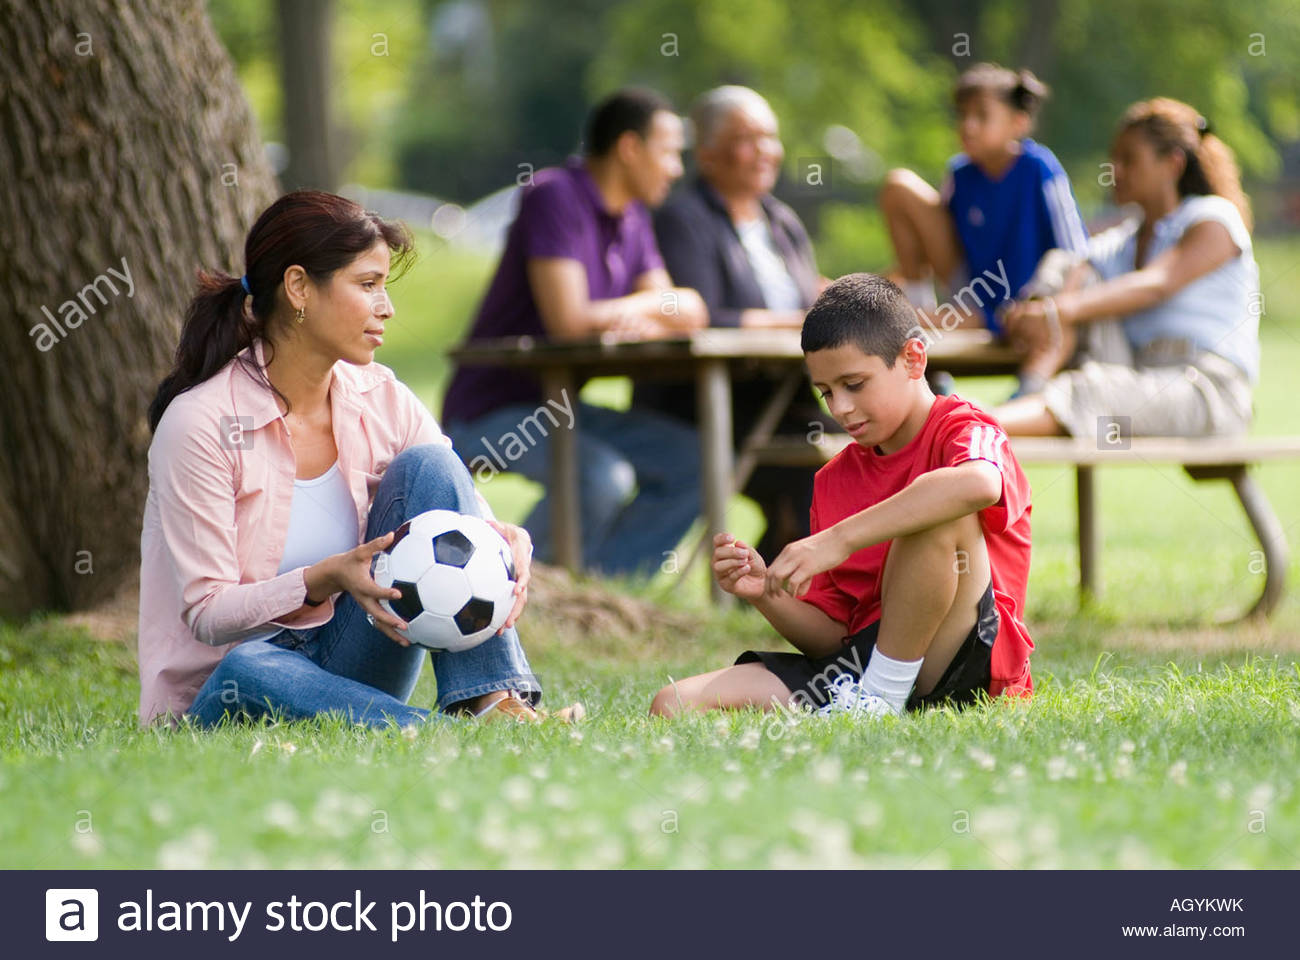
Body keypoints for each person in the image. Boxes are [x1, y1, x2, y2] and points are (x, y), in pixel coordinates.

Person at [139, 190, 580, 728]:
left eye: (384, 286)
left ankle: (496, 702)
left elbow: (461, 508)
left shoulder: (381, 396)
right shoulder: (201, 422)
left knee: (432, 467)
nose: (387, 307)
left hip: (351, 666)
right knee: (252, 664)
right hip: (234, 687)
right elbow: (208, 614)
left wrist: (508, 539)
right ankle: (436, 732)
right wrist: (325, 577)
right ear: (299, 287)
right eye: (367, 285)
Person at [650, 275, 1034, 720]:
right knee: (674, 704)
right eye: (827, 393)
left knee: (936, 509)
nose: (840, 409)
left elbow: (980, 485)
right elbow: (834, 640)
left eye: (855, 384)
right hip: (864, 669)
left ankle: (881, 703)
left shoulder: (967, 429)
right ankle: (871, 702)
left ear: (913, 358)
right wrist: (763, 593)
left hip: (961, 663)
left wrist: (838, 540)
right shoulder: (834, 479)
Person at [442, 88, 708, 578]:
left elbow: (687, 308)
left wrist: (637, 309)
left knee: (696, 461)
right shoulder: (554, 194)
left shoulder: (632, 216)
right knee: (601, 478)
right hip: (492, 410)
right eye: (669, 152)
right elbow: (569, 319)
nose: (675, 168)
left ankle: (605, 593)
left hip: (558, 405)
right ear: (630, 147)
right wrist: (643, 308)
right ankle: (508, 584)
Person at [636, 85, 830, 562]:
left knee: (874, 442)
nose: (764, 151)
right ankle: (771, 580)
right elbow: (705, 318)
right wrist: (796, 322)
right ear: (707, 154)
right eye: (748, 138)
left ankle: (791, 579)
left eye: (770, 137)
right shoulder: (683, 219)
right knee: (811, 469)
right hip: (706, 403)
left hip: (786, 399)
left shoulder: (781, 221)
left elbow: (812, 300)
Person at [994, 97, 1258, 440]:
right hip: (1138, 371)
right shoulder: (1125, 239)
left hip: (1203, 391)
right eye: (1114, 158)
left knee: (1092, 389)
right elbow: (1075, 269)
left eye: (1129, 160)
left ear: (1173, 164)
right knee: (1068, 265)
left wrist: (1058, 309)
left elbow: (1157, 283)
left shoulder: (1214, 219)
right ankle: (1033, 380)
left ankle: (972, 426)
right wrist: (1037, 310)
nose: (1115, 170)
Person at [879, 62, 1089, 396]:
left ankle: (936, 375)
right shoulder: (960, 174)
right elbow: (933, 245)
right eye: (962, 115)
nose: (968, 126)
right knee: (898, 185)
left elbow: (1076, 249)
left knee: (895, 327)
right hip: (970, 295)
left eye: (981, 116)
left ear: (1017, 122)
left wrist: (1051, 311)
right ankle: (922, 323)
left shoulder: (1039, 167)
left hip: (1017, 307)